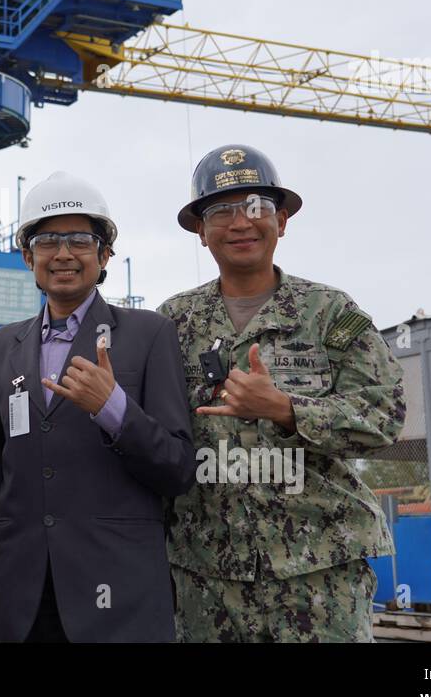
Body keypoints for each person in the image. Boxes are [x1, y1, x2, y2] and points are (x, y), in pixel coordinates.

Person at [157, 144, 405, 642]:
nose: (241, 223)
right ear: (201, 232)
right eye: (221, 211)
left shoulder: (331, 313)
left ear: (283, 221)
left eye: (256, 207)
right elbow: (149, 436)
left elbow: (384, 413)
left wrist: (289, 410)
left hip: (318, 571)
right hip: (207, 576)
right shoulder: (171, 323)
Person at [0, 172, 196, 642]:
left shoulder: (150, 335)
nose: (63, 253)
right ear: (28, 257)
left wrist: (113, 408)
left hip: (121, 604)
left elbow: (179, 468)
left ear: (104, 255)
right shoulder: (1, 348)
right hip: (23, 607)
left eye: (80, 240)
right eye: (47, 241)